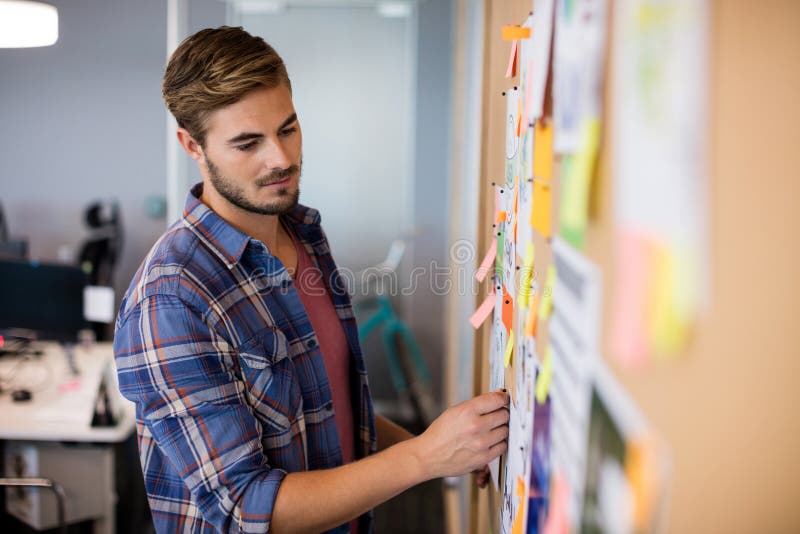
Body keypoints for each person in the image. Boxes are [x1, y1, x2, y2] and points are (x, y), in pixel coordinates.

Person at [113, 26, 509, 534]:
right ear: (192, 145)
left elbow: (330, 409)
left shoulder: (301, 232)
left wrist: (441, 444)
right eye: (248, 143)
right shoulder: (171, 299)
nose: (280, 158)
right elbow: (247, 510)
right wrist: (425, 458)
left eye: (288, 128)